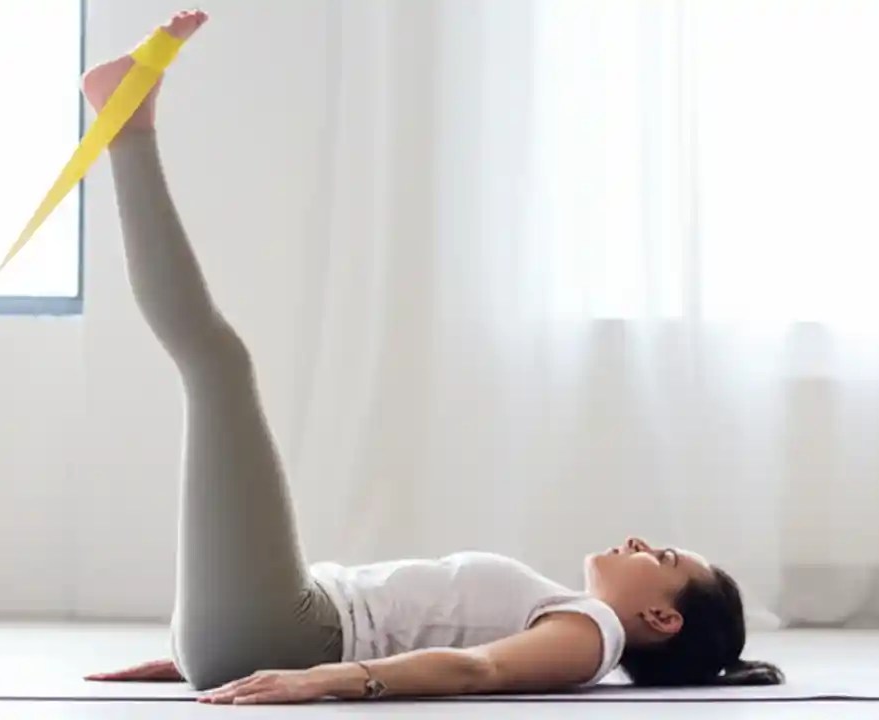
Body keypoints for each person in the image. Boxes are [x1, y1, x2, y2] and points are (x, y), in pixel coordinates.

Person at [81, 10, 784, 705]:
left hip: (292, 634)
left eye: (661, 558)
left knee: (219, 368)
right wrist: (205, 651)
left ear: (663, 619)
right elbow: (418, 633)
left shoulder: (591, 634)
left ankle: (130, 128)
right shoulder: (565, 608)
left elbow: (480, 670)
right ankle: (128, 127)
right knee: (216, 368)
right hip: (268, 631)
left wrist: (312, 675)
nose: (639, 540)